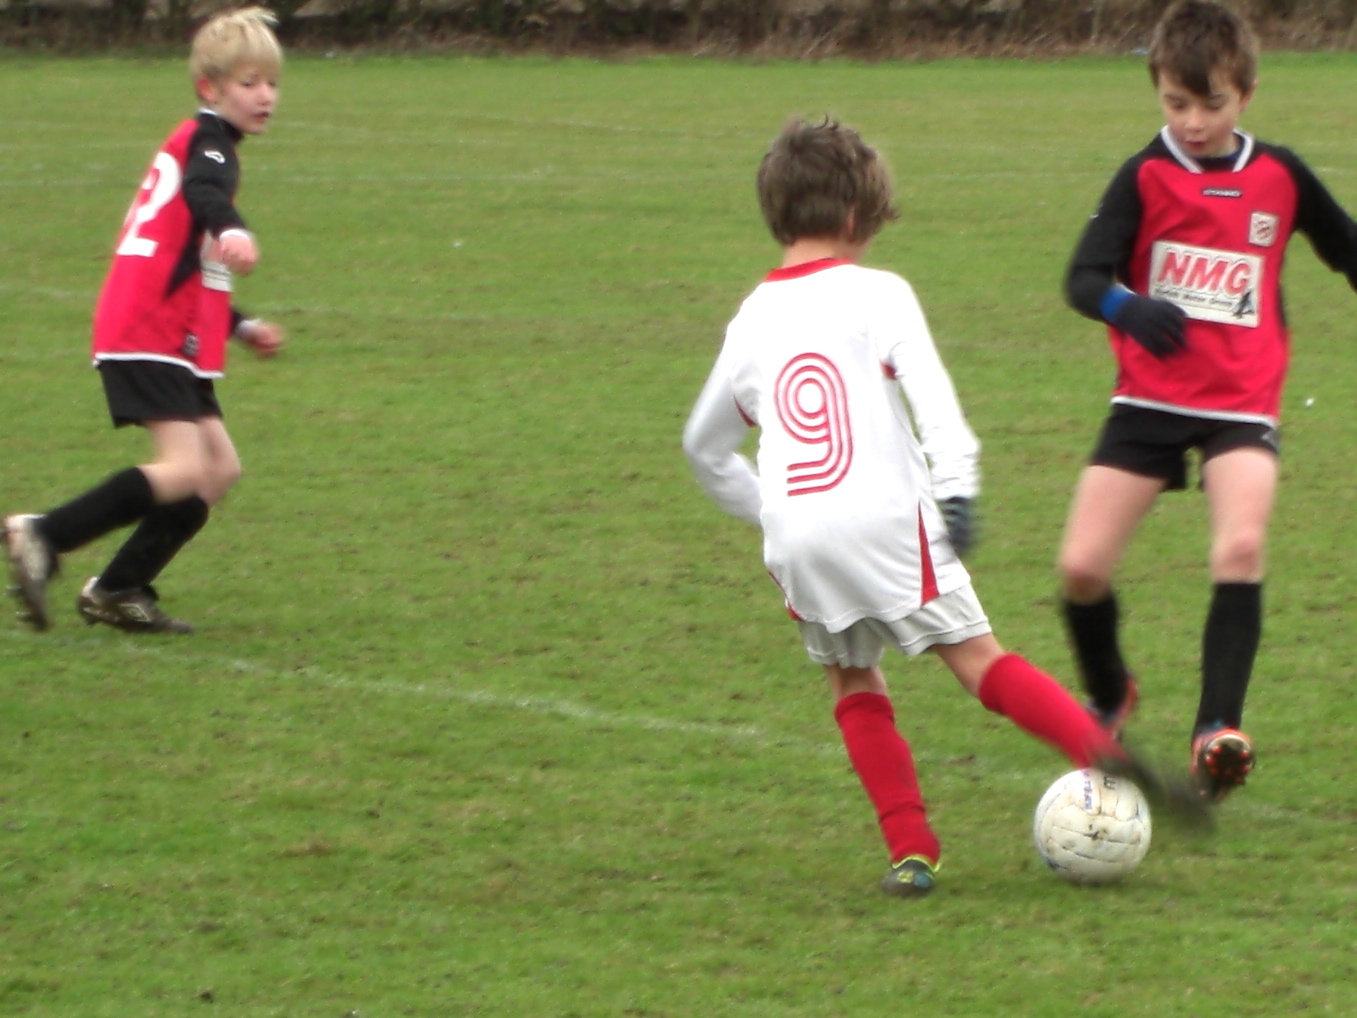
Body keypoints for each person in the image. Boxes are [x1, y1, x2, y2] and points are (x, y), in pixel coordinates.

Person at [682, 117, 1204, 898]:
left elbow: (703, 447)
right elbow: (935, 405)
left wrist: (772, 511)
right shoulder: (878, 292)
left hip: (798, 540)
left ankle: (910, 851)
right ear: (857, 218)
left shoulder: (749, 319)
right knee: (977, 659)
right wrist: (957, 491)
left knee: (854, 682)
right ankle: (1098, 749)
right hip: (886, 522)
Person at [1057, 0, 1357, 801]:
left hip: (1241, 404)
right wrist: (1127, 307)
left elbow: (1347, 250)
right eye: (1175, 104)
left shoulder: (1280, 176)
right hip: (1147, 401)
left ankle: (1214, 730)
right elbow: (1081, 279)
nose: (1192, 122)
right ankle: (1110, 690)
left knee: (1239, 550)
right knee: (1081, 568)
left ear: (1246, 93)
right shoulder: (1144, 174)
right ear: (1157, 90)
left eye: (1211, 104)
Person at [5, 6, 286, 635]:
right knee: (185, 468)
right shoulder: (209, 143)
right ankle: (44, 533)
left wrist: (239, 326)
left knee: (219, 470)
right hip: (149, 328)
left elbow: (183, 257)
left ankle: (117, 587)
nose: (264, 95)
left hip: (168, 326)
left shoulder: (200, 143)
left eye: (271, 82)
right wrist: (232, 226)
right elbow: (205, 198)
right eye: (248, 82)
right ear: (209, 89)